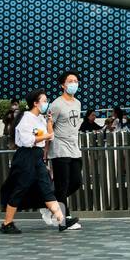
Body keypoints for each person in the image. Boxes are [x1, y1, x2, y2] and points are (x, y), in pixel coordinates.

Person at [0, 91, 79, 234]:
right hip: (26, 156)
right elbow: (26, 140)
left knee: (46, 188)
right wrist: (45, 136)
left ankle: (62, 221)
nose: (46, 103)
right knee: (20, 188)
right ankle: (7, 223)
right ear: (35, 103)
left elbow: (50, 136)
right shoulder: (26, 118)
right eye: (44, 100)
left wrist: (49, 122)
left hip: (37, 155)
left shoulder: (40, 118)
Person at [46, 72, 85, 230]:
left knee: (76, 182)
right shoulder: (56, 104)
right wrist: (46, 151)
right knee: (62, 185)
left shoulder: (78, 103)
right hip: (60, 148)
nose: (74, 83)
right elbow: (49, 125)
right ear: (63, 85)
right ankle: (64, 220)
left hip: (74, 148)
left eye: (76, 81)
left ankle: (51, 204)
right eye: (70, 81)